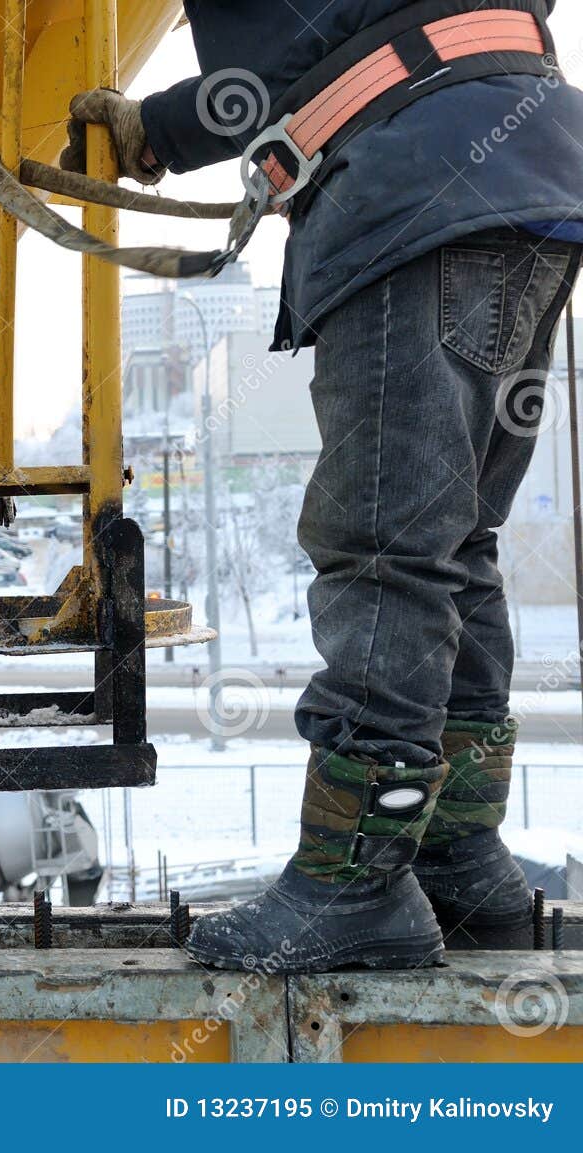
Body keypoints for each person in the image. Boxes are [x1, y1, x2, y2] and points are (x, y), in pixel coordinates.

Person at [63, 0, 583, 971]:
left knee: (384, 545)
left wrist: (155, 130)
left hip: (416, 185)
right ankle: (455, 854)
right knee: (452, 541)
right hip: (524, 167)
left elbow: (282, 57)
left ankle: (354, 881)